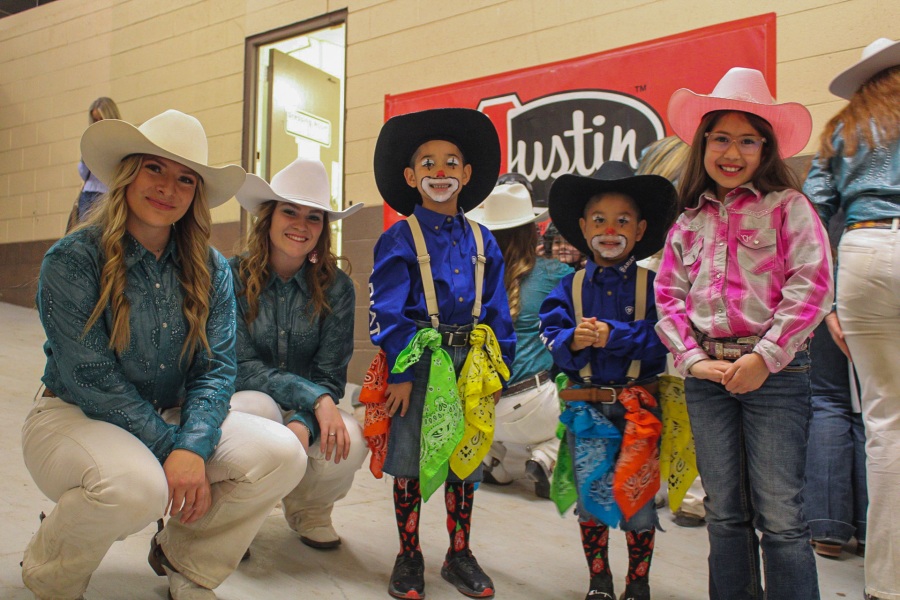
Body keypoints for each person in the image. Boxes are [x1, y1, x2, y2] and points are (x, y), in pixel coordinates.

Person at [22, 109, 306, 600]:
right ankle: (50, 573)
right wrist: (173, 450)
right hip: (73, 413)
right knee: (140, 487)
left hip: (169, 410)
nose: (168, 188)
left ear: (195, 194)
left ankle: (186, 562)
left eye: (185, 179)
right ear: (128, 173)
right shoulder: (72, 259)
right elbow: (92, 377)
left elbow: (216, 369)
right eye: (154, 168)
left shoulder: (210, 269)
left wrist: (191, 446)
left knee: (283, 453)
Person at [655, 68, 833, 600]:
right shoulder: (687, 221)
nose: (733, 153)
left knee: (779, 513)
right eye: (722, 139)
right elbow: (668, 296)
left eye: (747, 141)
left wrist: (767, 355)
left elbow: (814, 283)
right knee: (725, 510)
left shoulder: (788, 208)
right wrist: (692, 360)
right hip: (707, 377)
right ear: (704, 144)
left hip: (776, 374)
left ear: (765, 148)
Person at [367, 107, 515, 599]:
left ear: (467, 175)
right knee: (410, 461)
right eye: (427, 164)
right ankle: (408, 553)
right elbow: (388, 312)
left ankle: (459, 551)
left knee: (463, 461)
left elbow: (497, 313)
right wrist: (402, 371)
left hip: (470, 364)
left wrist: (498, 372)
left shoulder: (483, 241)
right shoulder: (398, 238)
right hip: (421, 365)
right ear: (411, 177)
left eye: (451, 162)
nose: (440, 172)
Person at [539, 160, 677, 600]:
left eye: (623, 221)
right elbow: (550, 338)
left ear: (640, 230)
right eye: (599, 220)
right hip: (587, 412)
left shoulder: (655, 287)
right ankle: (599, 581)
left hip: (642, 411)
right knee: (593, 500)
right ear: (583, 227)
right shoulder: (568, 287)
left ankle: (639, 583)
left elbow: (666, 339)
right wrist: (573, 341)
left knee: (638, 502)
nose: (610, 229)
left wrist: (614, 336)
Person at [803, 37, 900, 600]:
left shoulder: (845, 128)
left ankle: (885, 585)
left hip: (861, 255)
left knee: (886, 424)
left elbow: (814, 212)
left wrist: (829, 301)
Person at [229, 157, 368, 550]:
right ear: (268, 217)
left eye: (314, 217)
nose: (301, 225)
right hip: (252, 398)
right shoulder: (231, 276)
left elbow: (330, 374)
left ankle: (309, 509)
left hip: (306, 407)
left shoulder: (337, 289)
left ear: (323, 229)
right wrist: (317, 399)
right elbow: (238, 367)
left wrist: (308, 418)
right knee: (252, 409)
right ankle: (237, 514)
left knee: (351, 438)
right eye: (289, 211)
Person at [469, 182, 572, 499]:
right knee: (588, 398)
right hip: (535, 406)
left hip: (480, 409)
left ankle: (491, 458)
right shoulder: (554, 273)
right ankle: (547, 456)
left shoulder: (470, 277)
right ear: (532, 232)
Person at [635, 135, 706, 529]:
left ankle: (661, 485)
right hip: (690, 279)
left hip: (653, 273)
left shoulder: (657, 155)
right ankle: (691, 495)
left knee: (657, 391)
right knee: (687, 397)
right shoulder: (698, 169)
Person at [76, 97, 121, 222]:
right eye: (95, 120)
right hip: (90, 193)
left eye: (101, 119)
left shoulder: (121, 139)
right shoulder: (91, 139)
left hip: (109, 195)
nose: (97, 123)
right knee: (86, 236)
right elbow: (84, 174)